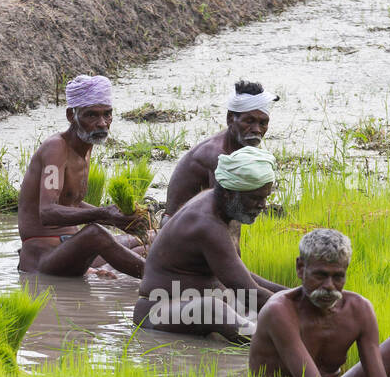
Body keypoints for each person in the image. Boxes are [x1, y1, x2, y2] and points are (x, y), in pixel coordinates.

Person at [249, 228, 390, 377]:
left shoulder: (358, 309)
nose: (329, 286)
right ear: (301, 268)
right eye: (320, 275)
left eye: (338, 277)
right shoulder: (280, 312)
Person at [133, 146, 286, 341]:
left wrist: (297, 295)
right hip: (158, 312)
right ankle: (276, 347)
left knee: (244, 309)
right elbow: (248, 292)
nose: (263, 205)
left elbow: (242, 278)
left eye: (265, 197)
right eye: (255, 198)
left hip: (193, 307)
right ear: (230, 193)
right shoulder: (206, 224)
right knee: (213, 309)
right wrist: (298, 312)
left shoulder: (229, 212)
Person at [17, 74, 147, 277]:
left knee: (147, 238)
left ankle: (99, 271)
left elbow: (72, 203)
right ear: (71, 116)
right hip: (44, 256)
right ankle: (163, 280)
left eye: (107, 114)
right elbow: (47, 213)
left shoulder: (86, 146)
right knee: (96, 233)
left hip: (71, 247)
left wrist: (120, 220)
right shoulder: (56, 148)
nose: (102, 123)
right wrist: (105, 214)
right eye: (92, 115)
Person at [164, 79, 278, 216]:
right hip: (181, 229)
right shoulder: (218, 155)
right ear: (230, 118)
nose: (257, 130)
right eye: (249, 121)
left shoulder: (238, 149)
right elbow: (224, 211)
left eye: (263, 123)